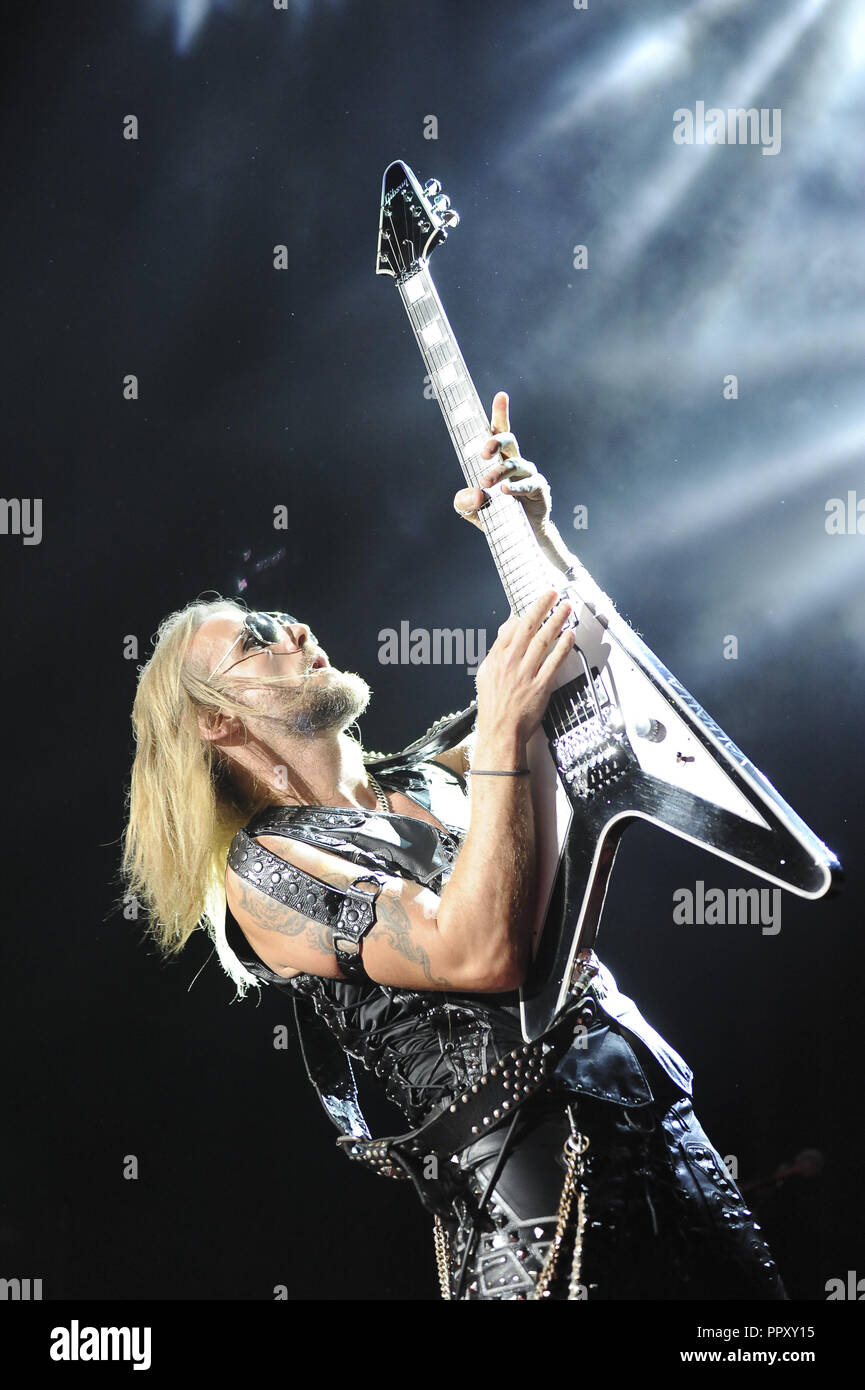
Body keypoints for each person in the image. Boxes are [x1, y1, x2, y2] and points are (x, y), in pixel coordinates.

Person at [122, 392, 787, 1300]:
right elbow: (477, 951)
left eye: (285, 618)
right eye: (257, 640)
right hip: (535, 1221)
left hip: (670, 1145)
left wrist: (534, 534)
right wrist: (508, 729)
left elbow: (605, 682)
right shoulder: (267, 871)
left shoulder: (441, 766)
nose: (297, 632)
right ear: (213, 723)